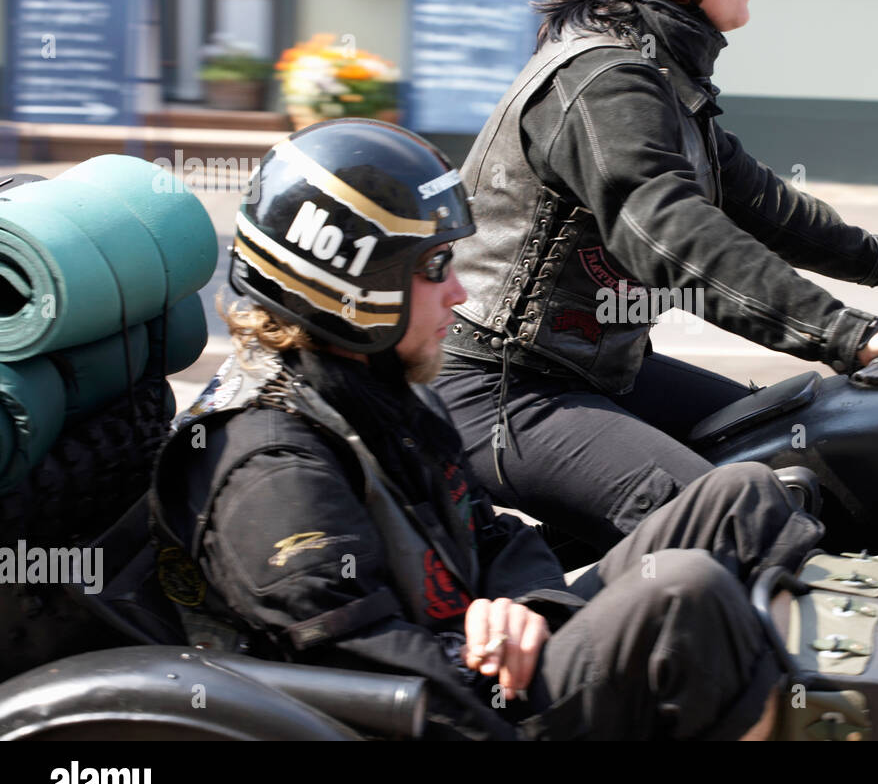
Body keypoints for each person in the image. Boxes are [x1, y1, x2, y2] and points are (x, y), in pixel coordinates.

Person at [150, 118, 824, 740]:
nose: (460, 293)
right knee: (685, 593)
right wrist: (488, 644)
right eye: (433, 268)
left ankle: (815, 690)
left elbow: (495, 535)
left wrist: (524, 607)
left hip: (494, 653)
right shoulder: (271, 465)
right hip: (460, 711)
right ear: (356, 287)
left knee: (740, 497)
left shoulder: (383, 390)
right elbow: (361, 672)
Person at [434, 0, 878, 555]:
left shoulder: (659, 78)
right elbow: (676, 238)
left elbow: (761, 205)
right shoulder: (605, 83)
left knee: (809, 443)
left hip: (599, 371)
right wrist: (850, 336)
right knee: (746, 526)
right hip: (506, 391)